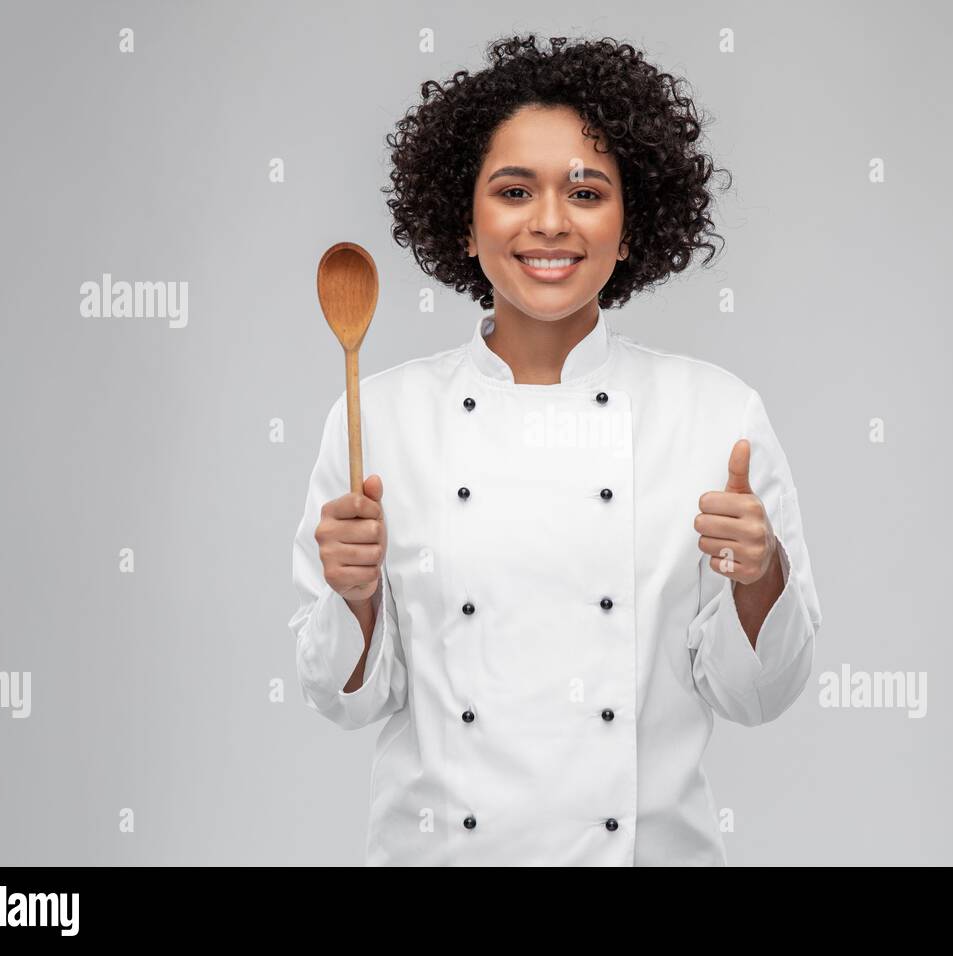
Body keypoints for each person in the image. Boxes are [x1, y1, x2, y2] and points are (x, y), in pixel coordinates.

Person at [289, 34, 823, 866]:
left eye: (585, 191)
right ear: (464, 223)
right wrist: (352, 596)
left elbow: (759, 697)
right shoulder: (376, 417)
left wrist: (762, 578)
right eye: (513, 190)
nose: (549, 222)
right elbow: (348, 701)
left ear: (629, 223)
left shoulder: (716, 416)